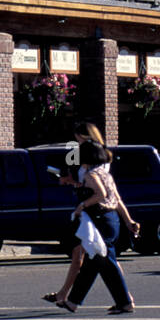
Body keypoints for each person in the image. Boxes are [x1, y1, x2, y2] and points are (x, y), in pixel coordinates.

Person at [43, 124, 139, 306]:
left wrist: (82, 204)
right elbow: (113, 194)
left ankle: (124, 300)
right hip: (104, 216)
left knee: (100, 258)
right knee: (93, 259)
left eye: (80, 139)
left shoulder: (94, 168)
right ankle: (71, 300)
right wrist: (127, 220)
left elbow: (101, 193)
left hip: (99, 216)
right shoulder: (101, 169)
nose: (78, 143)